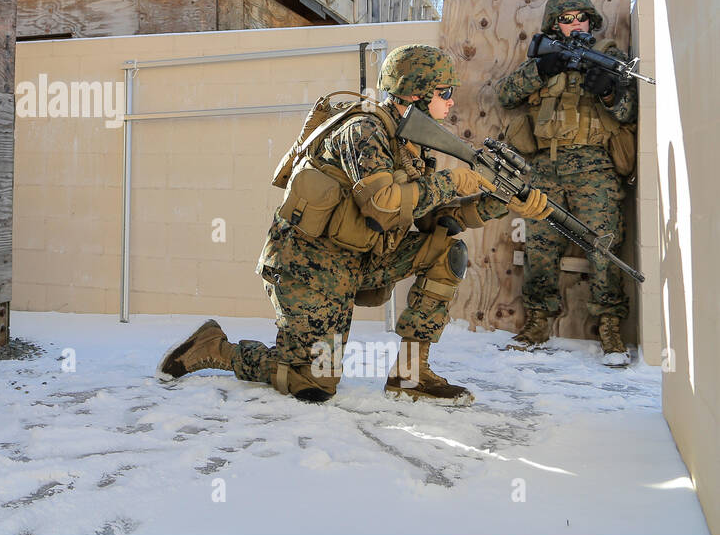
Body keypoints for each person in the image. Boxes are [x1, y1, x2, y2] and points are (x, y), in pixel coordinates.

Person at [159, 45, 552, 406]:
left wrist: (500, 203)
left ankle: (412, 374)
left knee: (445, 251)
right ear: (415, 93)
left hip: (358, 260)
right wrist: (456, 180)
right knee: (313, 383)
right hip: (309, 268)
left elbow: (434, 218)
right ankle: (214, 348)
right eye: (444, 91)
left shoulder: (410, 143)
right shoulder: (363, 130)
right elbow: (382, 205)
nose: (452, 101)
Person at [496, 0, 637, 366]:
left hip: (593, 167)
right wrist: (543, 69)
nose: (575, 25)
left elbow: (628, 113)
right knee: (540, 246)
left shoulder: (609, 57)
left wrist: (609, 92)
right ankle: (537, 323)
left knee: (604, 245)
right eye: (566, 19)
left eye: (581, 18)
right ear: (554, 25)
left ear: (591, 21)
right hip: (545, 166)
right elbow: (505, 95)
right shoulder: (547, 57)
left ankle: (610, 328)